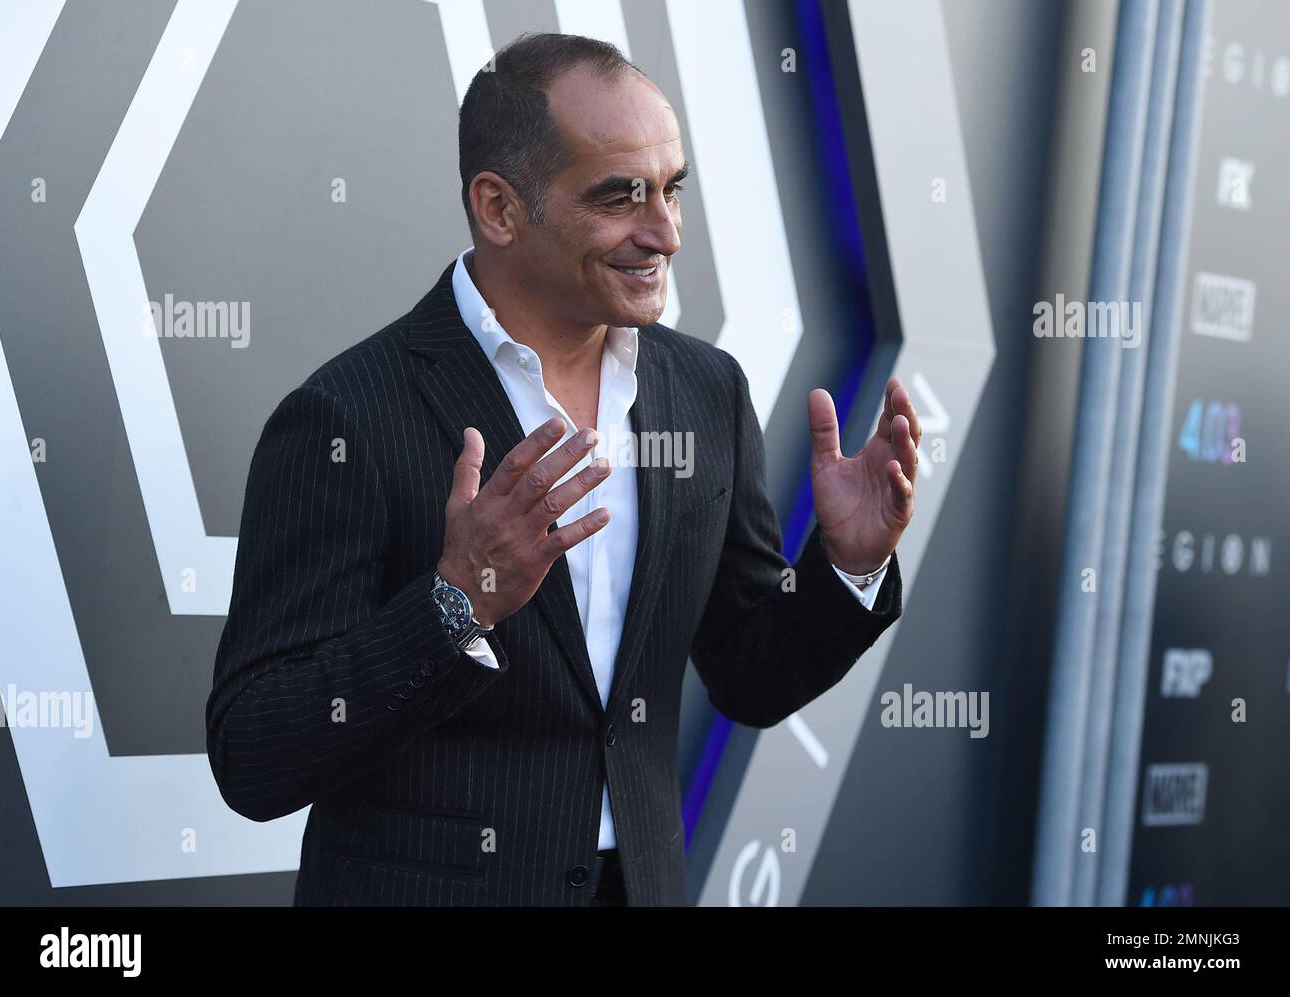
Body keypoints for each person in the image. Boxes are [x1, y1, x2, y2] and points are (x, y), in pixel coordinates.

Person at [205, 31, 920, 907]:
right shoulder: (346, 416)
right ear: (499, 208)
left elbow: (747, 674)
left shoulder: (705, 391)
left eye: (671, 190)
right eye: (619, 196)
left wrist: (846, 566)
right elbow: (254, 754)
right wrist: (453, 603)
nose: (663, 232)